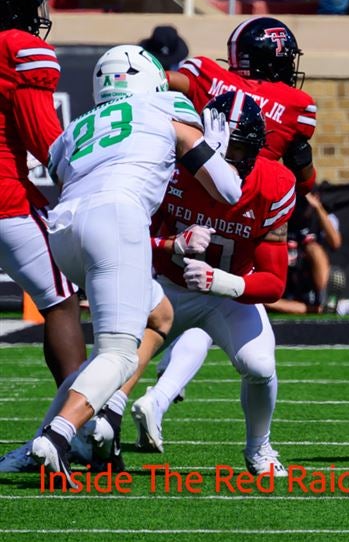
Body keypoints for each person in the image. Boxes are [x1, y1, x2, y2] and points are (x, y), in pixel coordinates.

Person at [29, 45, 243, 476]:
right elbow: (229, 191)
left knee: (159, 314)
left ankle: (104, 421)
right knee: (120, 354)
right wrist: (213, 149)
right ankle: (57, 436)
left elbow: (60, 173)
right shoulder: (167, 105)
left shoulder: (76, 127)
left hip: (65, 229)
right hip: (116, 218)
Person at [103, 92, 296, 476]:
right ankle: (70, 433)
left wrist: (220, 281)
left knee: (259, 366)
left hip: (225, 294)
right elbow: (127, 237)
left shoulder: (273, 183)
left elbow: (274, 283)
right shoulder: (168, 168)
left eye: (241, 150)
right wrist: (173, 245)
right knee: (112, 359)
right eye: (225, 149)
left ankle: (259, 447)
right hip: (166, 289)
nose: (231, 160)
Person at [0, 0, 86, 474]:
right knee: (60, 300)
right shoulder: (19, 47)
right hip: (6, 199)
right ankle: (82, 422)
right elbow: (42, 137)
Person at [170, 17, 318, 195]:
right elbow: (305, 185)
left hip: (188, 190)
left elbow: (160, 77)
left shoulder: (204, 75)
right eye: (285, 62)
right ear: (270, 65)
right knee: (282, 181)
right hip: (248, 201)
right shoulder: (296, 105)